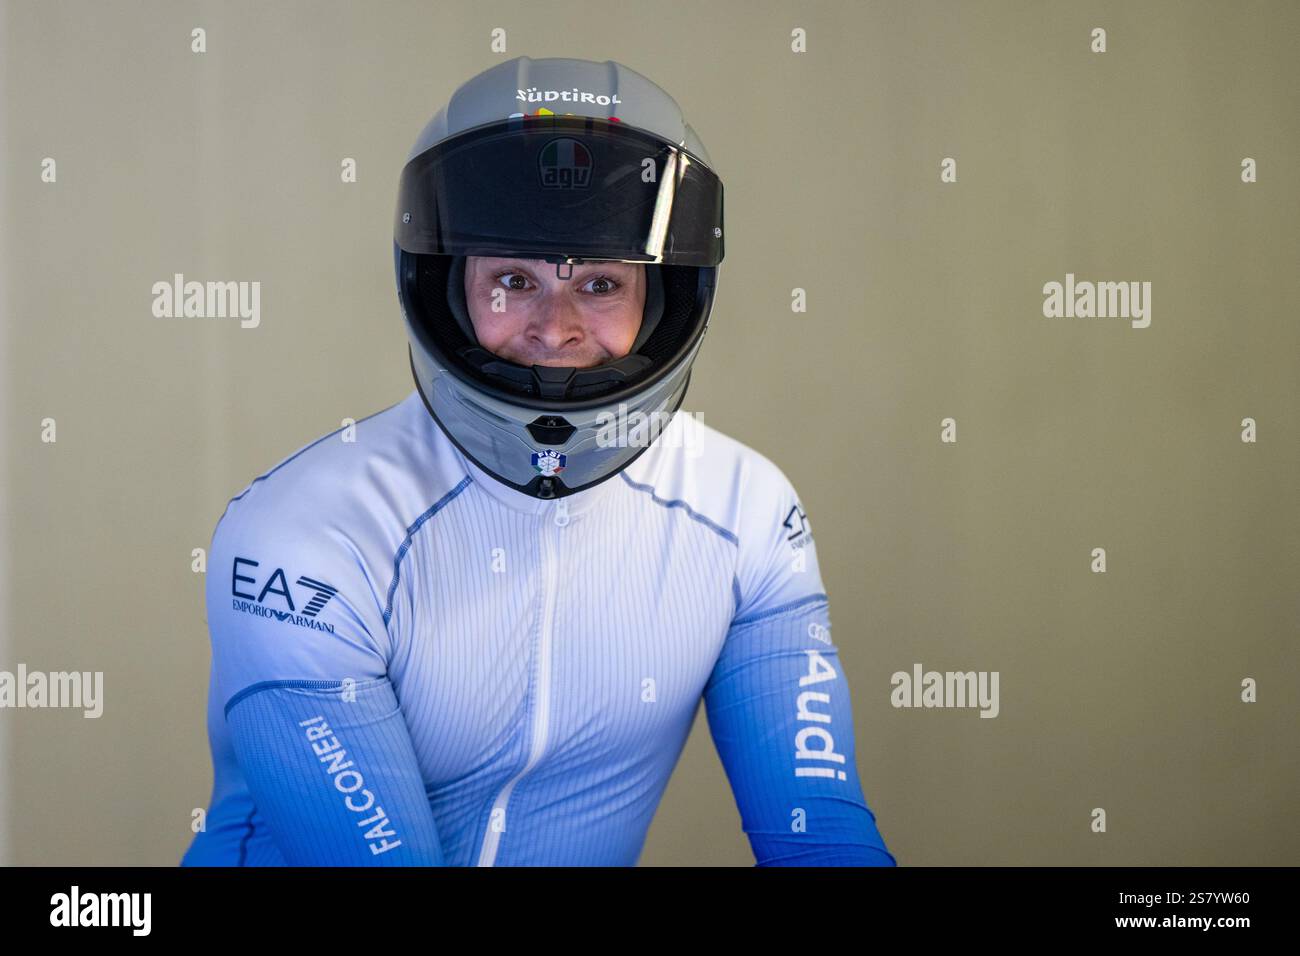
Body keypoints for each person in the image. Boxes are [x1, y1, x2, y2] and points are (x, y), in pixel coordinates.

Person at [181, 55, 896, 867]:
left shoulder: (747, 512)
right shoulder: (303, 533)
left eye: (599, 285)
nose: (555, 329)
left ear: (663, 300)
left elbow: (822, 841)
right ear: (445, 286)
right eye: (514, 280)